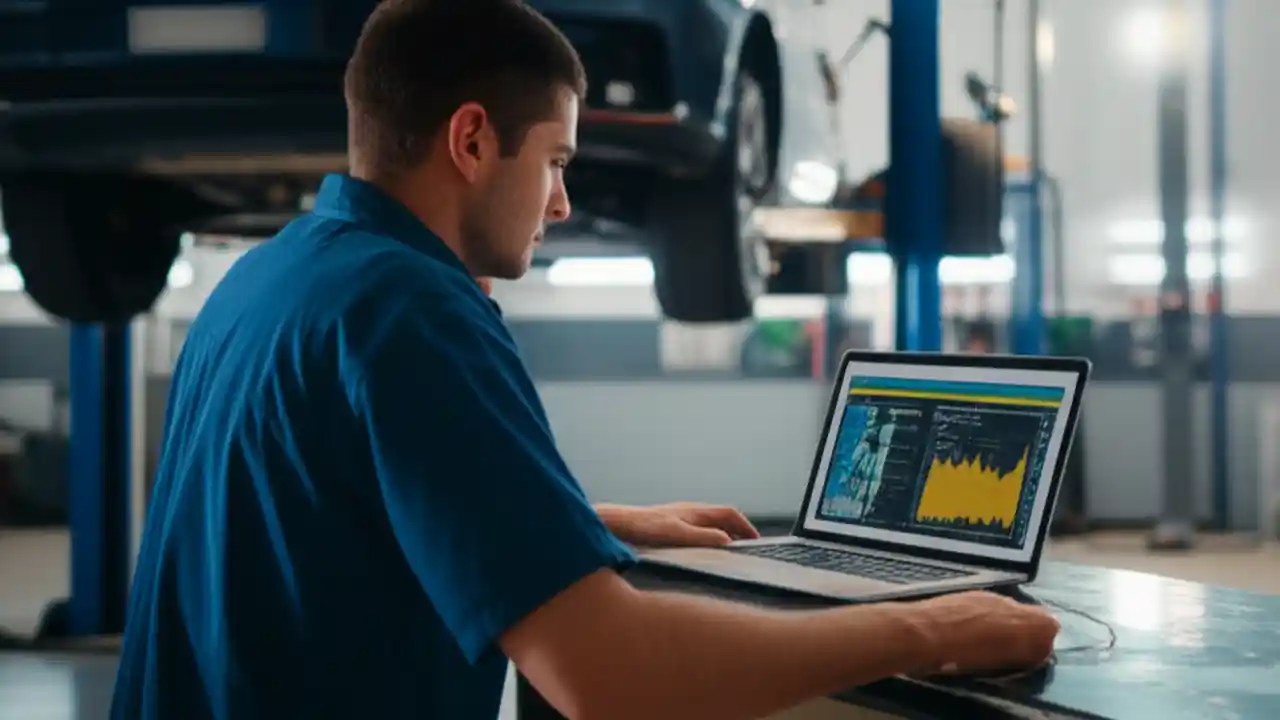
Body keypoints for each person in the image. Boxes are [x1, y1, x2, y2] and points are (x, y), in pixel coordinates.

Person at [111, 1, 1059, 718]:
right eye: (557, 161)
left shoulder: (272, 279)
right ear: (473, 140)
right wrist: (931, 629)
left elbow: (332, 503)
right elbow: (606, 674)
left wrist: (588, 526)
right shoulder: (415, 309)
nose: (561, 203)